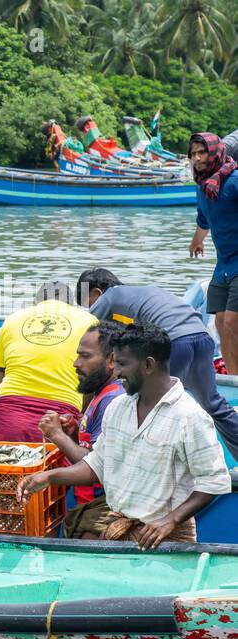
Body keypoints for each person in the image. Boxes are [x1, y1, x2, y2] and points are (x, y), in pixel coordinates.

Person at [17, 324, 229, 548]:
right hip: (118, 526)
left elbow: (214, 481)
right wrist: (49, 477)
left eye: (122, 364)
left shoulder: (189, 416)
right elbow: (98, 464)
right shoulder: (118, 407)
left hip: (163, 539)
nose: (116, 372)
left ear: (148, 364)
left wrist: (170, 520)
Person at [77, 267, 238, 460]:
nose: (91, 309)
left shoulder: (108, 298)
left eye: (89, 304)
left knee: (153, 406)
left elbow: (91, 340)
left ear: (97, 292)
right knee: (213, 404)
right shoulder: (139, 294)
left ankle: (149, 463)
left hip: (175, 342)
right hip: (201, 338)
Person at [34, 322, 125, 537]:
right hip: (88, 504)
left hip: (101, 508)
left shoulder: (112, 399)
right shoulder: (101, 393)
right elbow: (95, 447)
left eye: (85, 356)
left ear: (111, 360)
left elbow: (97, 466)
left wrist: (56, 435)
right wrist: (75, 433)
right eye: (77, 356)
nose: (76, 363)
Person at [0, 281, 98, 443]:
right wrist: (79, 416)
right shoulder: (89, 321)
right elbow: (92, 382)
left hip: (7, 416)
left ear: (35, 303)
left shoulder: (12, 319)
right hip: (61, 420)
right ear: (71, 305)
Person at [188, 132, 238, 371]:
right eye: (194, 154)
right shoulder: (202, 187)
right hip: (224, 265)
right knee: (219, 322)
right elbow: (203, 218)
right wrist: (197, 240)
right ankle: (234, 379)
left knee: (231, 320)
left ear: (216, 153)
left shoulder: (235, 180)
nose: (198, 159)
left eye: (202, 153)